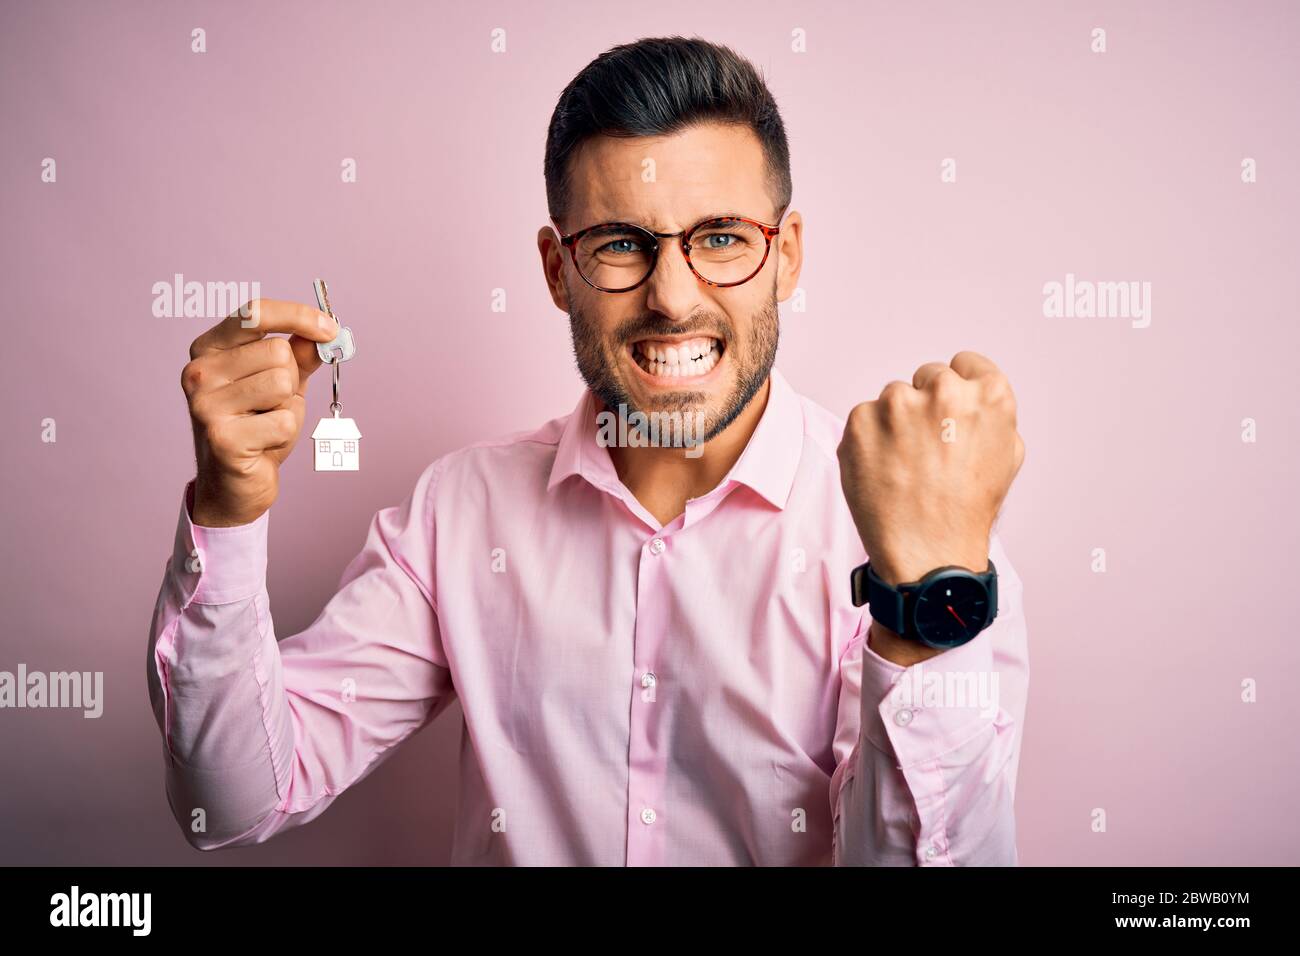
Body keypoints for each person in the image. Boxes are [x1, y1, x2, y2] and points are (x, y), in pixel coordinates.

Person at [146, 35, 1028, 866]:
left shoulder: (919, 545)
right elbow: (230, 800)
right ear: (556, 271)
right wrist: (229, 510)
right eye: (619, 245)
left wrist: (922, 608)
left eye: (720, 237)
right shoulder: (463, 514)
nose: (673, 297)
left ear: (786, 256)